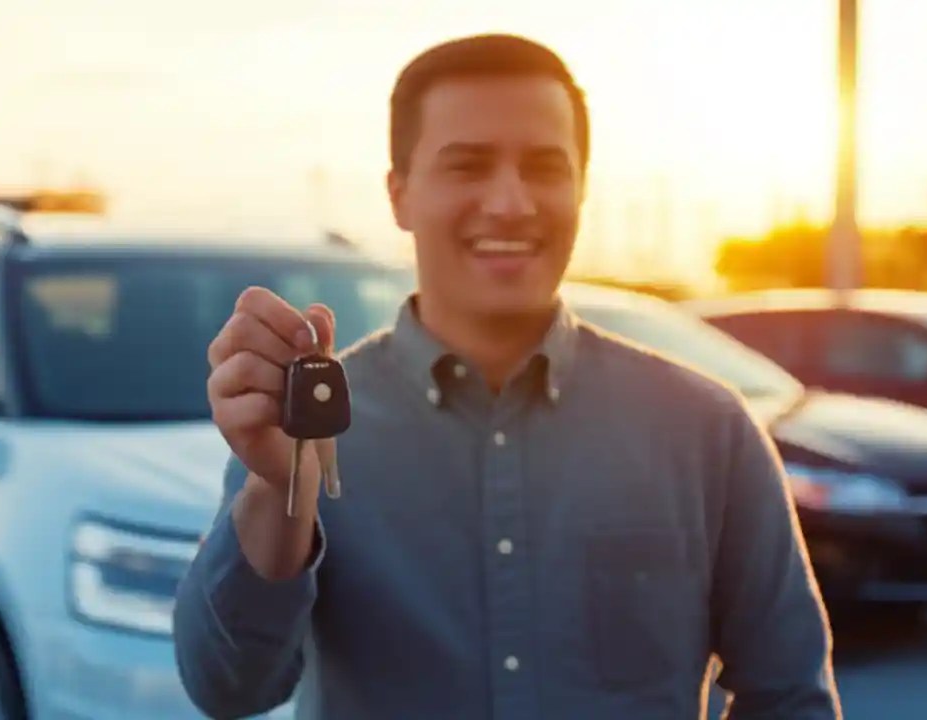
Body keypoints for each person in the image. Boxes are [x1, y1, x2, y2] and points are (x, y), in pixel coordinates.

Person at [174, 33, 842, 719]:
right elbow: (229, 689)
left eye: (544, 168)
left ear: (582, 187)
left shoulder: (706, 430)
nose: (510, 202)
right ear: (400, 196)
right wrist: (278, 491)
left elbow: (789, 697)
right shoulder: (307, 431)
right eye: (467, 166)